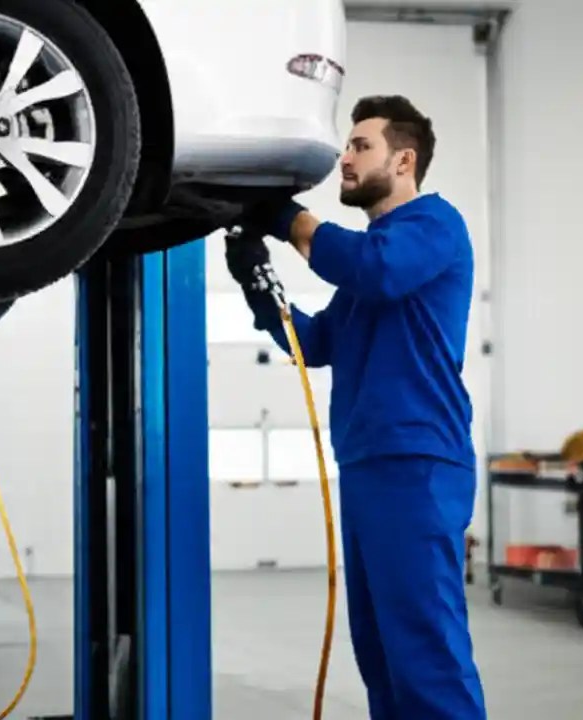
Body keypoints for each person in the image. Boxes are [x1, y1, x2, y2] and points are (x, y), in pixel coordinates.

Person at [227, 95, 487, 720]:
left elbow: (380, 270)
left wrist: (293, 222)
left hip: (418, 462)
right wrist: (259, 290)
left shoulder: (433, 225)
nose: (344, 158)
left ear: (404, 159)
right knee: (380, 651)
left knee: (425, 650)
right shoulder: (373, 259)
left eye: (359, 146)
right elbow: (316, 343)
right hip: (372, 463)